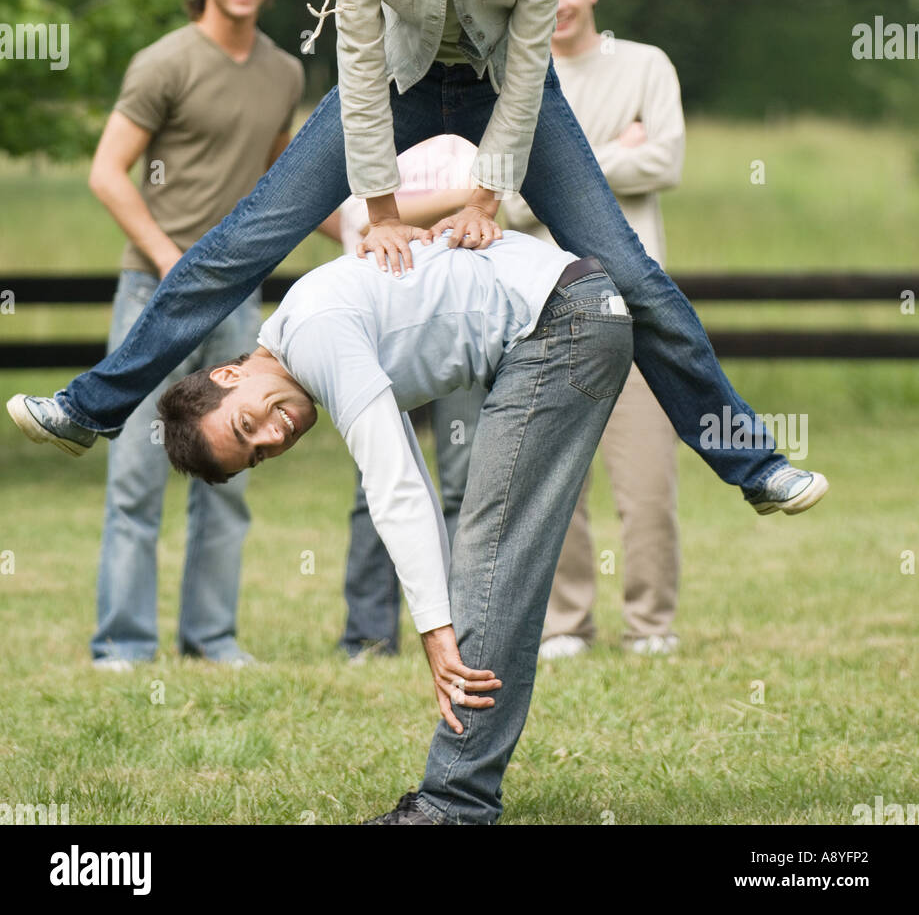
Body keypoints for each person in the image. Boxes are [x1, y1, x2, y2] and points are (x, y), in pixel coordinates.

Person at [8, 0, 828, 529]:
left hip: (503, 88)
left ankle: (753, 464)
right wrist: (383, 213)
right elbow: (360, 68)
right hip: (396, 87)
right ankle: (90, 409)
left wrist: (484, 197)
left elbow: (532, 63)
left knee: (632, 271)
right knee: (236, 246)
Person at [156, 228, 636, 824]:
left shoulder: (313, 336)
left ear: (228, 376)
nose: (272, 438)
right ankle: (459, 796)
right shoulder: (308, 346)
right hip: (574, 311)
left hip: (561, 323)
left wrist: (436, 635)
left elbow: (397, 487)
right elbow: (412, 482)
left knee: (493, 558)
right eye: (256, 454)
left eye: (244, 427)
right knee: (492, 557)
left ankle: (453, 807)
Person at [81, 0, 303, 667]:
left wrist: (380, 225)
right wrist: (171, 260)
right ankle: (122, 646)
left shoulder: (283, 74)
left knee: (229, 474)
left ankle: (212, 639)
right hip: (154, 295)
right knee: (137, 477)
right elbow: (107, 173)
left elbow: (291, 186)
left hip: (239, 302)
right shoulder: (162, 63)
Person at [503, 0, 684, 659]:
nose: (556, 4)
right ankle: (565, 623)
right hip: (546, 303)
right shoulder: (516, 78)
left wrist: (564, 168)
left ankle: (651, 624)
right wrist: (613, 151)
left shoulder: (644, 65)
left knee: (645, 483)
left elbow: (664, 159)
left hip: (634, 299)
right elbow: (507, 200)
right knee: (557, 481)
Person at [333, 134, 484, 658]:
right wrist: (461, 197)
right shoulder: (370, 130)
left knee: (463, 489)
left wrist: (391, 213)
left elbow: (504, 197)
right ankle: (369, 638)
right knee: (375, 490)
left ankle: (462, 632)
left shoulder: (467, 121)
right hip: (378, 334)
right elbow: (357, 220)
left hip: (461, 326)